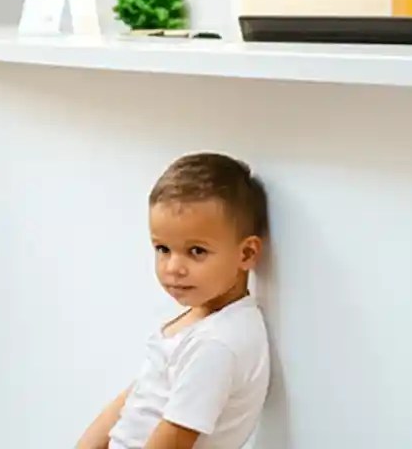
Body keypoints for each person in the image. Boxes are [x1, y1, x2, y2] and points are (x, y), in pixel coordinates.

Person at [76, 153, 271, 449]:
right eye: (163, 248)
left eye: (196, 251)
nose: (172, 268)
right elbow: (137, 397)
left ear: (246, 254)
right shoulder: (199, 319)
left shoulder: (218, 344)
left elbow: (176, 439)